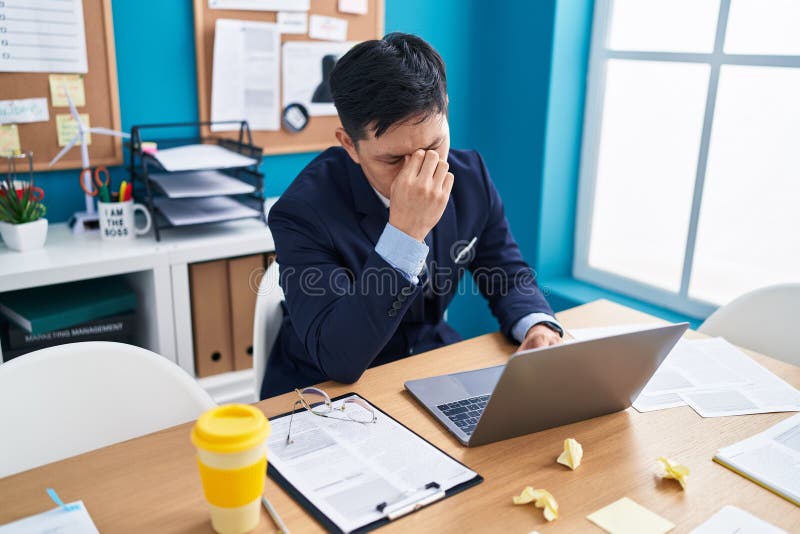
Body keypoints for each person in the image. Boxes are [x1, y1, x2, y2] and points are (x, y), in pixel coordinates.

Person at [261, 32, 562, 399]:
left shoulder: (471, 178)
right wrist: (404, 234)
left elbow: (507, 272)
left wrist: (538, 325)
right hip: (326, 392)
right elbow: (339, 358)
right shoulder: (301, 213)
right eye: (392, 159)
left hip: (428, 367)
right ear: (349, 145)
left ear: (446, 110)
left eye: (434, 146)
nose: (417, 173)